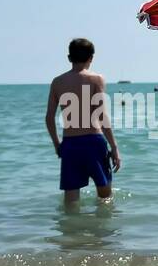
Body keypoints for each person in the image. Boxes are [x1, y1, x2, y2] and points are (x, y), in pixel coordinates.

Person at [45, 38, 121, 204]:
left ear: (69, 58)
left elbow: (49, 118)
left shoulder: (57, 82)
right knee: (105, 197)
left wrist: (58, 145)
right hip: (93, 141)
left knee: (71, 202)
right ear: (91, 58)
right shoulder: (96, 79)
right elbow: (102, 116)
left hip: (70, 144)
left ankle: (72, 230)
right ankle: (102, 229)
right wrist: (114, 147)